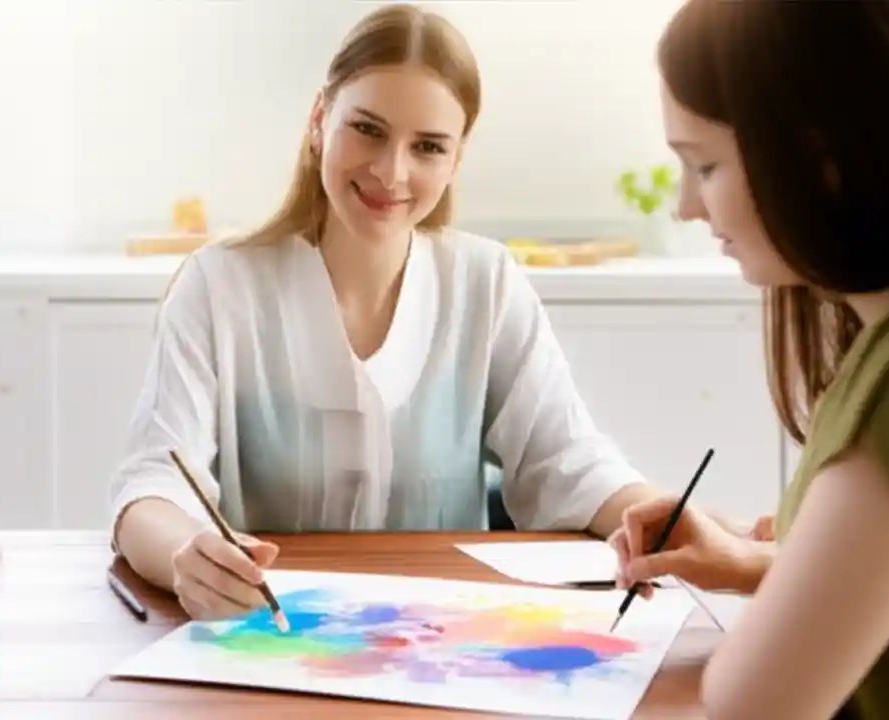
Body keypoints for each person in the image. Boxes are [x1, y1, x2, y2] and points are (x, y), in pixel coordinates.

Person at [109, 4, 677, 621]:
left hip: (436, 643)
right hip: (268, 639)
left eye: (428, 147)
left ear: (456, 159)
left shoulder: (485, 283)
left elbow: (568, 461)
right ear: (320, 119)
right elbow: (152, 487)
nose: (391, 171)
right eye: (369, 130)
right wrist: (184, 557)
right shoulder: (218, 285)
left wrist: (667, 518)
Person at [610, 1, 889, 718]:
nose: (685, 207)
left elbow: (754, 702)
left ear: (821, 155)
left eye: (704, 165)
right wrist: (757, 566)